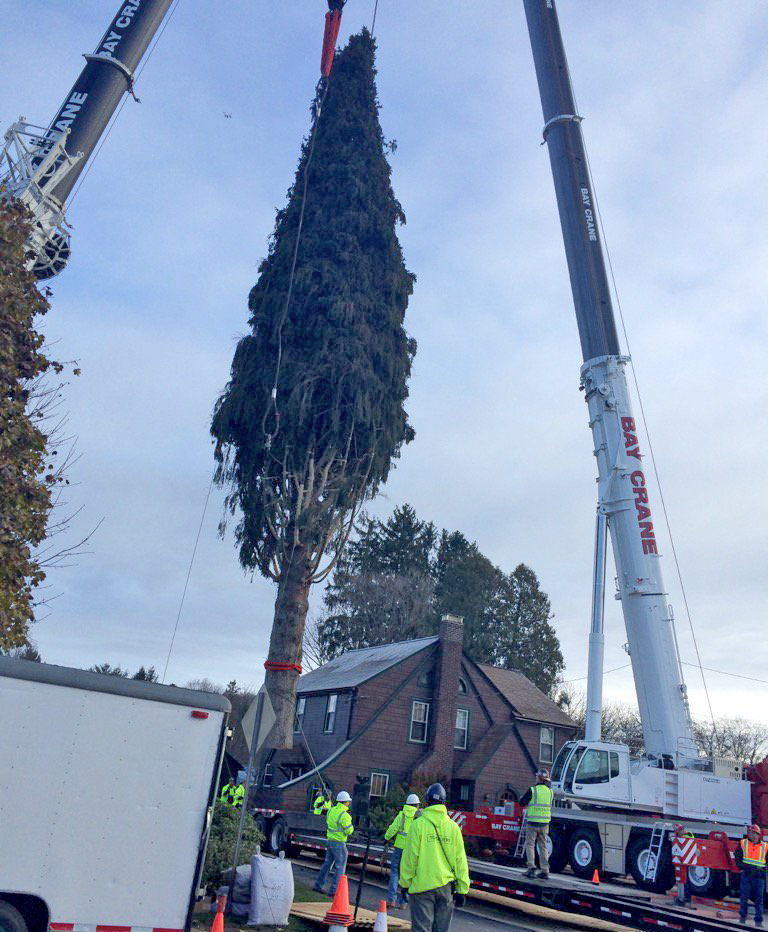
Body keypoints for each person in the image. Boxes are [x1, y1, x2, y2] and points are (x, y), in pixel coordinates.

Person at [399, 783, 470, 932]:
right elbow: (461, 861)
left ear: (427, 801)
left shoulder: (418, 825)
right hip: (446, 888)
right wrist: (463, 889)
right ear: (444, 802)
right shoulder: (453, 828)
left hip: (421, 888)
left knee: (421, 928)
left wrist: (405, 883)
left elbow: (410, 858)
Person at [313, 790, 354, 896]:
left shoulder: (331, 811)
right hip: (339, 843)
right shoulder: (345, 816)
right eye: (348, 801)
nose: (349, 803)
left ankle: (318, 885)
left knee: (327, 864)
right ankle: (334, 891)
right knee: (340, 867)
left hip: (330, 841)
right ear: (344, 802)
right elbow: (349, 831)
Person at [384, 793, 420, 909]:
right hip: (411, 849)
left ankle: (391, 900)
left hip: (399, 847)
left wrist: (386, 838)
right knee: (408, 875)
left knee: (394, 872)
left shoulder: (402, 815)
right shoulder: (419, 817)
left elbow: (393, 828)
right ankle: (403, 903)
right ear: (417, 805)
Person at [520, 770, 553, 879]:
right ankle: (545, 870)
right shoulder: (550, 792)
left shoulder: (533, 790)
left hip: (533, 822)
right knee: (543, 846)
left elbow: (522, 803)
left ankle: (531, 867)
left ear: (538, 778)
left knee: (530, 844)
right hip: (544, 824)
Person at [735, 823, 766, 927]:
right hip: (747, 875)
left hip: (759, 876)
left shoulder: (765, 846)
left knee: (759, 899)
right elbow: (737, 858)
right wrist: (742, 868)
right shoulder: (743, 843)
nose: (750, 835)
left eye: (752, 833)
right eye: (749, 832)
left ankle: (758, 921)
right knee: (744, 898)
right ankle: (742, 918)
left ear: (757, 834)